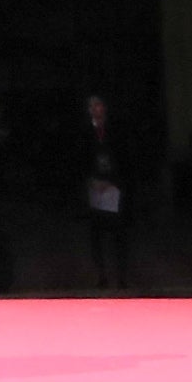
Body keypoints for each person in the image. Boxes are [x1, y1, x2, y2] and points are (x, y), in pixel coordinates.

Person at [77, 92, 130, 291]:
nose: (95, 109)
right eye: (91, 106)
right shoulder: (84, 132)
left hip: (115, 188)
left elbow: (125, 156)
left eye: (98, 105)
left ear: (104, 108)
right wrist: (91, 180)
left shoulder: (116, 130)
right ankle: (101, 275)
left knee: (119, 235)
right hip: (94, 189)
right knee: (96, 235)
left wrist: (113, 181)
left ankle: (121, 275)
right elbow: (79, 159)